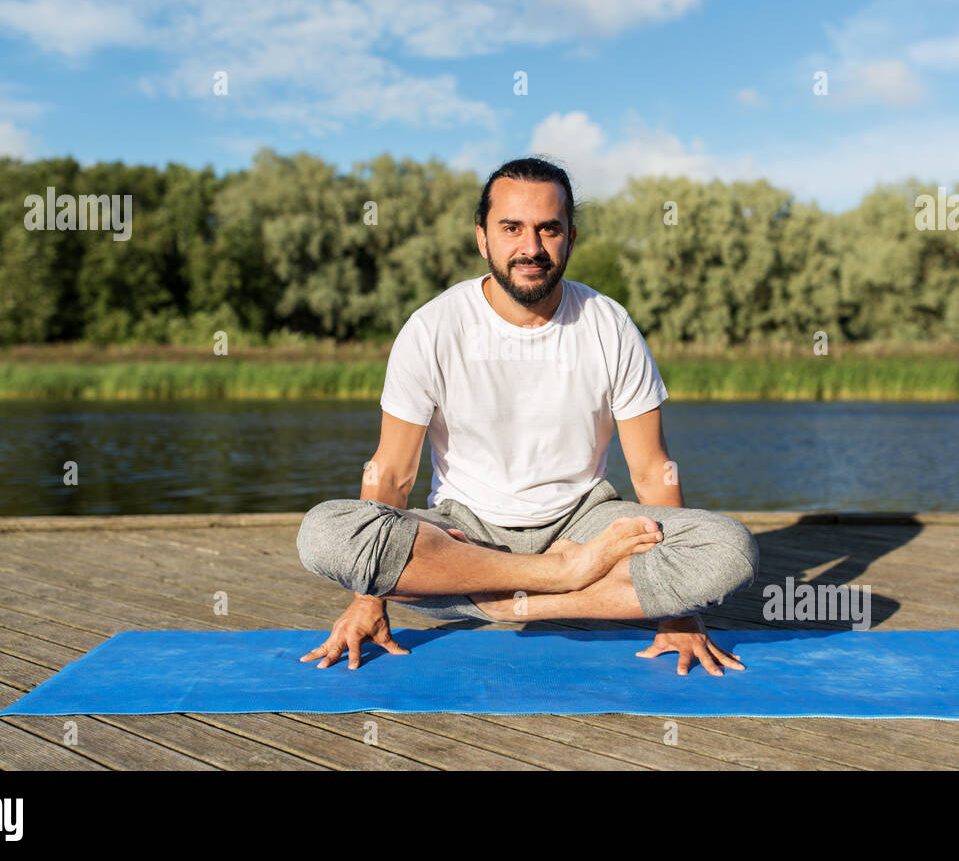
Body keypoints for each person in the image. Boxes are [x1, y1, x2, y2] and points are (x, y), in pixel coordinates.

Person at [296, 156, 759, 676]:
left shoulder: (608, 324)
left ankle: (516, 600)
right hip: (463, 537)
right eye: (511, 228)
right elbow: (392, 474)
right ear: (482, 237)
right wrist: (368, 601)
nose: (531, 247)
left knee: (729, 551)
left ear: (570, 237)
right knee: (327, 533)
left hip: (584, 525)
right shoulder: (432, 327)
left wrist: (681, 615)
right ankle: (561, 577)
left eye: (548, 229)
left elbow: (653, 470)